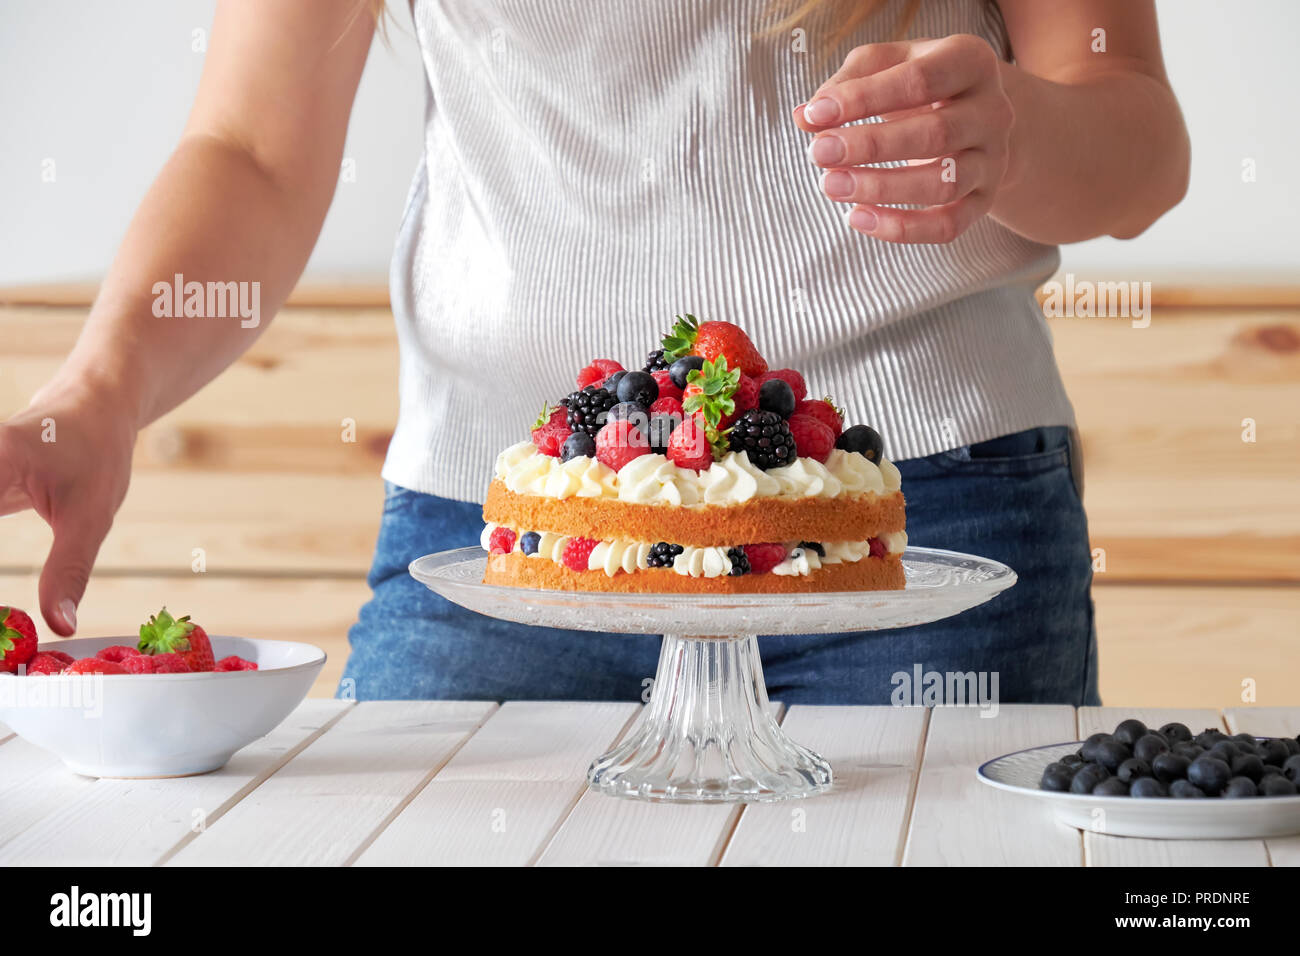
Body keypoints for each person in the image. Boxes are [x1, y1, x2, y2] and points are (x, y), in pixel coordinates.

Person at [0, 0, 1188, 705]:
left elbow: (1135, 132)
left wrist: (1012, 134)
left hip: (919, 517)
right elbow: (252, 151)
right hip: (504, 530)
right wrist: (98, 393)